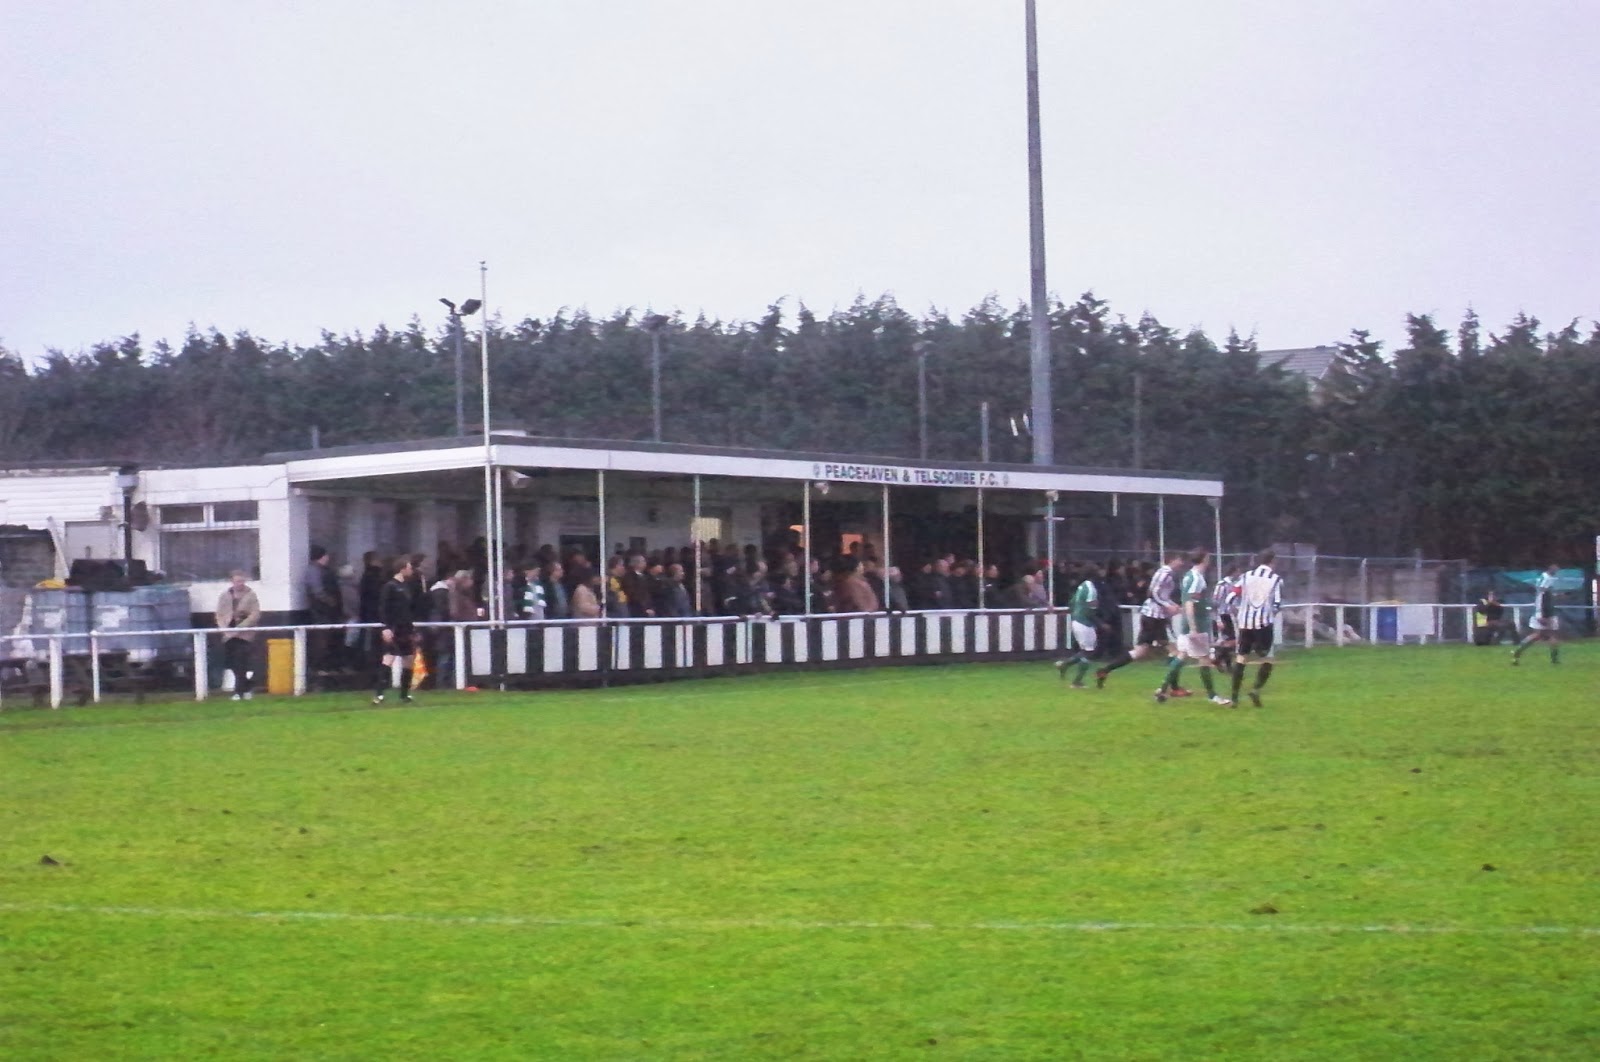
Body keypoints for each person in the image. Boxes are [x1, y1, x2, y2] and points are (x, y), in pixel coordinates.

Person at [1096, 551, 1187, 694]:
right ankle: (1174, 688)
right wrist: (1168, 606)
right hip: (1155, 617)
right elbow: (1154, 593)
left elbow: (1159, 595)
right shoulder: (1165, 573)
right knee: (1174, 650)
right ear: (1173, 560)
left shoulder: (1164, 573)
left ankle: (1105, 670)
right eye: (1180, 560)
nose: (1182, 563)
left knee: (1140, 651)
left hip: (1151, 615)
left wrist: (1173, 605)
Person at [1160, 550, 1228, 705]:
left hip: (1187, 623)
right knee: (1204, 659)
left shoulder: (1188, 576)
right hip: (1197, 623)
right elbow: (1190, 603)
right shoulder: (1197, 578)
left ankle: (1162, 689)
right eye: (1208, 557)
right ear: (1204, 559)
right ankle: (1212, 696)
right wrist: (1193, 628)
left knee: (1181, 655)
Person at [1230, 550, 1283, 707]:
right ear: (1272, 561)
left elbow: (1231, 597)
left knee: (1241, 658)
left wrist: (1239, 611)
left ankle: (1234, 698)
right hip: (1263, 624)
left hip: (1244, 623)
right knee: (1267, 658)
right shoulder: (1275, 579)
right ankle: (1255, 689)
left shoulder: (1245, 576)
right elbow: (1277, 604)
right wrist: (1269, 614)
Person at [371, 557, 419, 705]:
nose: (411, 570)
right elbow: (383, 608)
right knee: (389, 658)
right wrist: (386, 627)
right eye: (409, 567)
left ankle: (404, 694)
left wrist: (412, 629)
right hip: (394, 628)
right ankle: (379, 694)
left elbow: (408, 610)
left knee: (409, 660)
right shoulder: (390, 586)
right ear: (402, 568)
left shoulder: (406, 586)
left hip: (406, 628)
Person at [215, 570, 261, 700]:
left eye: (241, 581)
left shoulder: (251, 595)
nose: (239, 584)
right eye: (237, 581)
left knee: (241, 661)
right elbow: (219, 613)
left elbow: (255, 614)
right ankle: (247, 686)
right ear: (232, 581)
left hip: (245, 635)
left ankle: (239, 691)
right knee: (232, 663)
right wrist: (224, 629)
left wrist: (240, 628)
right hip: (228, 635)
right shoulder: (225, 595)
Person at [1056, 564, 1103, 688]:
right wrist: (1100, 623)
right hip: (1084, 623)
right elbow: (1091, 607)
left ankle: (1064, 665)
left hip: (1076, 620)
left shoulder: (1081, 586)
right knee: (1089, 652)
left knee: (1086, 651)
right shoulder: (1091, 588)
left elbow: (1071, 603)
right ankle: (1077, 682)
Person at [1511, 563, 1562, 666]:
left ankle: (1518, 652)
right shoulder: (1545, 579)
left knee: (1542, 635)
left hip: (1547, 611)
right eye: (1555, 567)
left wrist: (1556, 595)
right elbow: (1541, 596)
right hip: (1544, 612)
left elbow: (1546, 595)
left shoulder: (1547, 579)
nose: (1557, 569)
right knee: (1541, 635)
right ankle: (1518, 652)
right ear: (1550, 567)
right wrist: (1541, 615)